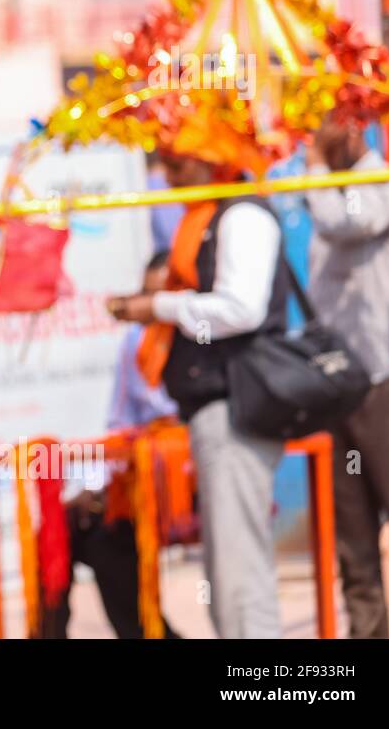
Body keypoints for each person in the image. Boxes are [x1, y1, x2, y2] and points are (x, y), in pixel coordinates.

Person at [107, 115, 289, 639]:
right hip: (215, 412)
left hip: (238, 407)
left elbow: (241, 309)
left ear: (207, 161)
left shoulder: (241, 216)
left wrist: (157, 307)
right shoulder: (205, 219)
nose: (167, 176)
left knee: (239, 576)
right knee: (227, 571)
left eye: (176, 163)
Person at [46, 252, 181, 639]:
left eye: (162, 301)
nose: (150, 310)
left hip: (184, 481)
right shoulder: (135, 343)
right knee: (68, 527)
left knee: (112, 535)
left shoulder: (202, 341)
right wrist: (97, 484)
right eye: (146, 299)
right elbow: (119, 423)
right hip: (136, 476)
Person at [306, 116, 389, 638]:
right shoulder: (331, 194)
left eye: (321, 132)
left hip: (386, 388)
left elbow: (350, 222)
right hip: (338, 395)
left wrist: (316, 166)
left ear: (347, 130)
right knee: (354, 544)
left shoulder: (386, 183)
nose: (311, 146)